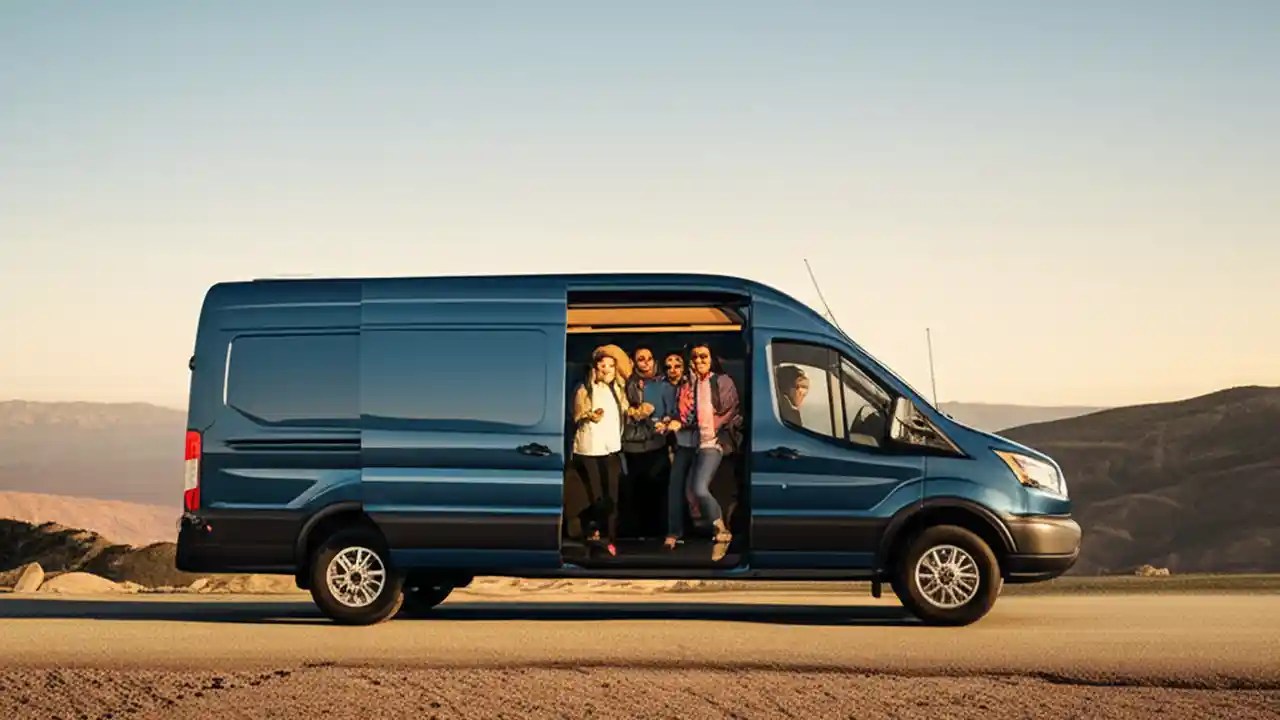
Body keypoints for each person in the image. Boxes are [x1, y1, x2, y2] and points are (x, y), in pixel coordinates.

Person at [664, 343, 741, 557]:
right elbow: (687, 415)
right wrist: (674, 423)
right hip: (692, 443)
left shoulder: (721, 381)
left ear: (711, 358)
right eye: (695, 357)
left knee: (699, 488)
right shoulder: (689, 384)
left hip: (713, 442)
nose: (699, 361)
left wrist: (714, 426)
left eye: (703, 356)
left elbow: (731, 408)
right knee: (685, 488)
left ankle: (721, 527)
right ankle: (680, 532)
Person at [571, 346, 628, 556]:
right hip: (589, 449)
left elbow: (626, 408)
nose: (606, 369)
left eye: (610, 366)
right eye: (602, 365)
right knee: (596, 495)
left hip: (611, 447)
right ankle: (596, 535)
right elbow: (577, 414)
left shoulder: (617, 389)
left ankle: (610, 538)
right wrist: (589, 415)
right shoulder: (585, 388)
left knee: (612, 495)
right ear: (595, 367)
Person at [621, 346, 677, 538]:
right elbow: (623, 411)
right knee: (635, 492)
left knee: (659, 490)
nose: (646, 362)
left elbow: (672, 411)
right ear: (634, 362)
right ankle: (635, 534)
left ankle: (657, 533)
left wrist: (665, 422)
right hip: (632, 445)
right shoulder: (628, 384)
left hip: (657, 443)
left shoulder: (664, 384)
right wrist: (634, 414)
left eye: (649, 358)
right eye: (640, 359)